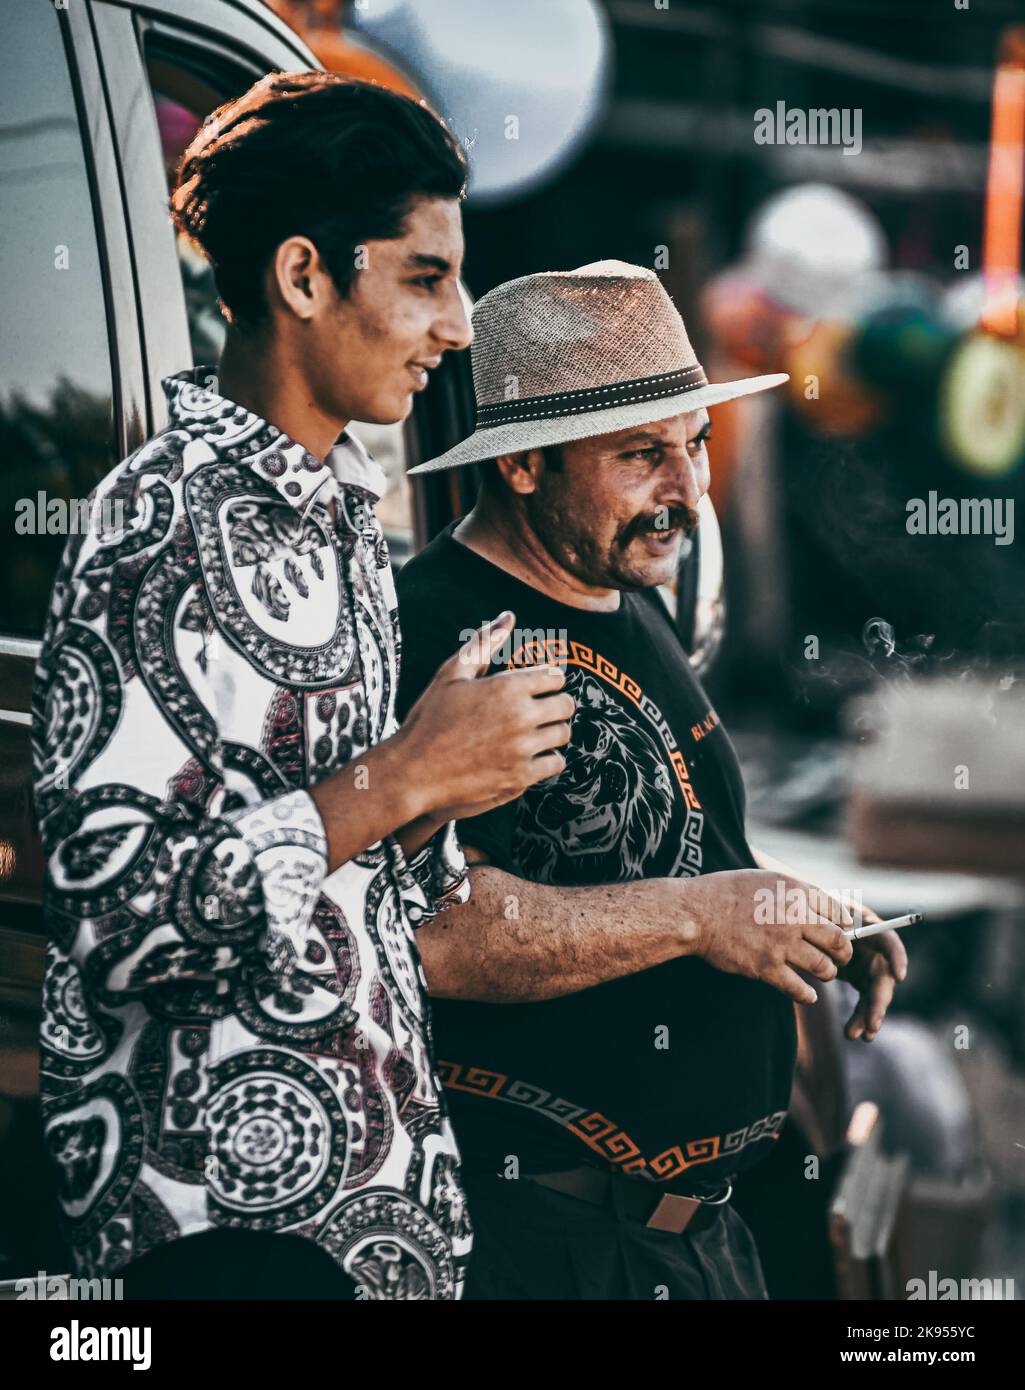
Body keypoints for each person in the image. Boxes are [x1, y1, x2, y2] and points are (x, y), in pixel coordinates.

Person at [31, 72, 573, 1301]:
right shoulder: (155, 520)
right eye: (426, 277)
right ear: (302, 277)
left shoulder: (343, 525)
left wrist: (444, 784)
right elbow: (122, 922)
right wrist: (404, 772)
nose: (460, 324)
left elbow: (355, 886)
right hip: (221, 1239)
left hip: (361, 1225)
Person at [396, 260, 908, 1300]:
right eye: (641, 455)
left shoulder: (632, 597)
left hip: (693, 1243)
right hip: (545, 1241)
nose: (685, 491)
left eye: (695, 446)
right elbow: (430, 935)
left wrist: (788, 911)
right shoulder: (431, 633)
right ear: (526, 463)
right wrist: (696, 917)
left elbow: (684, 851)